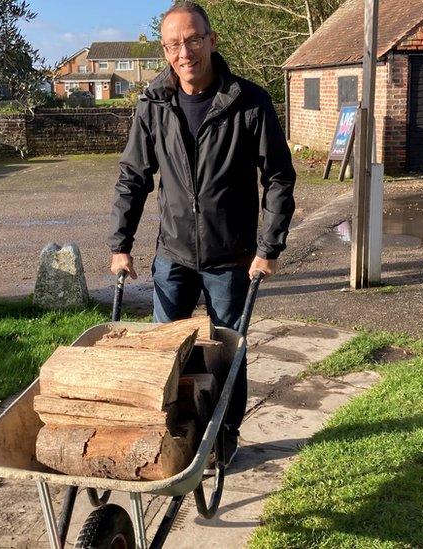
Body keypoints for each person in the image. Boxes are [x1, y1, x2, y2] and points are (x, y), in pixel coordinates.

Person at [107, 1, 296, 466]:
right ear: (165, 51)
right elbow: (134, 175)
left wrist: (269, 247)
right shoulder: (154, 103)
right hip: (172, 253)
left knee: (227, 353)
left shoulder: (249, 101)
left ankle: (224, 435)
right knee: (164, 351)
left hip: (231, 256)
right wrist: (120, 244)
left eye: (192, 39)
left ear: (211, 41)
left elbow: (278, 176)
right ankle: (172, 431)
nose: (184, 51)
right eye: (173, 43)